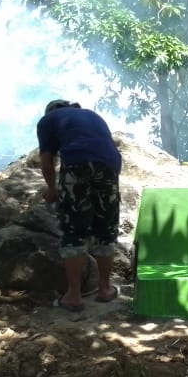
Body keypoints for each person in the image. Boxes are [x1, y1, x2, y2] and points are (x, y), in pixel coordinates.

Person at [37, 99, 122, 311]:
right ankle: (104, 289)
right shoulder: (93, 116)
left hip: (76, 163)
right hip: (110, 167)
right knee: (106, 229)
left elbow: (47, 161)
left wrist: (53, 189)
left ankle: (73, 296)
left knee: (74, 230)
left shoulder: (47, 120)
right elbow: (109, 150)